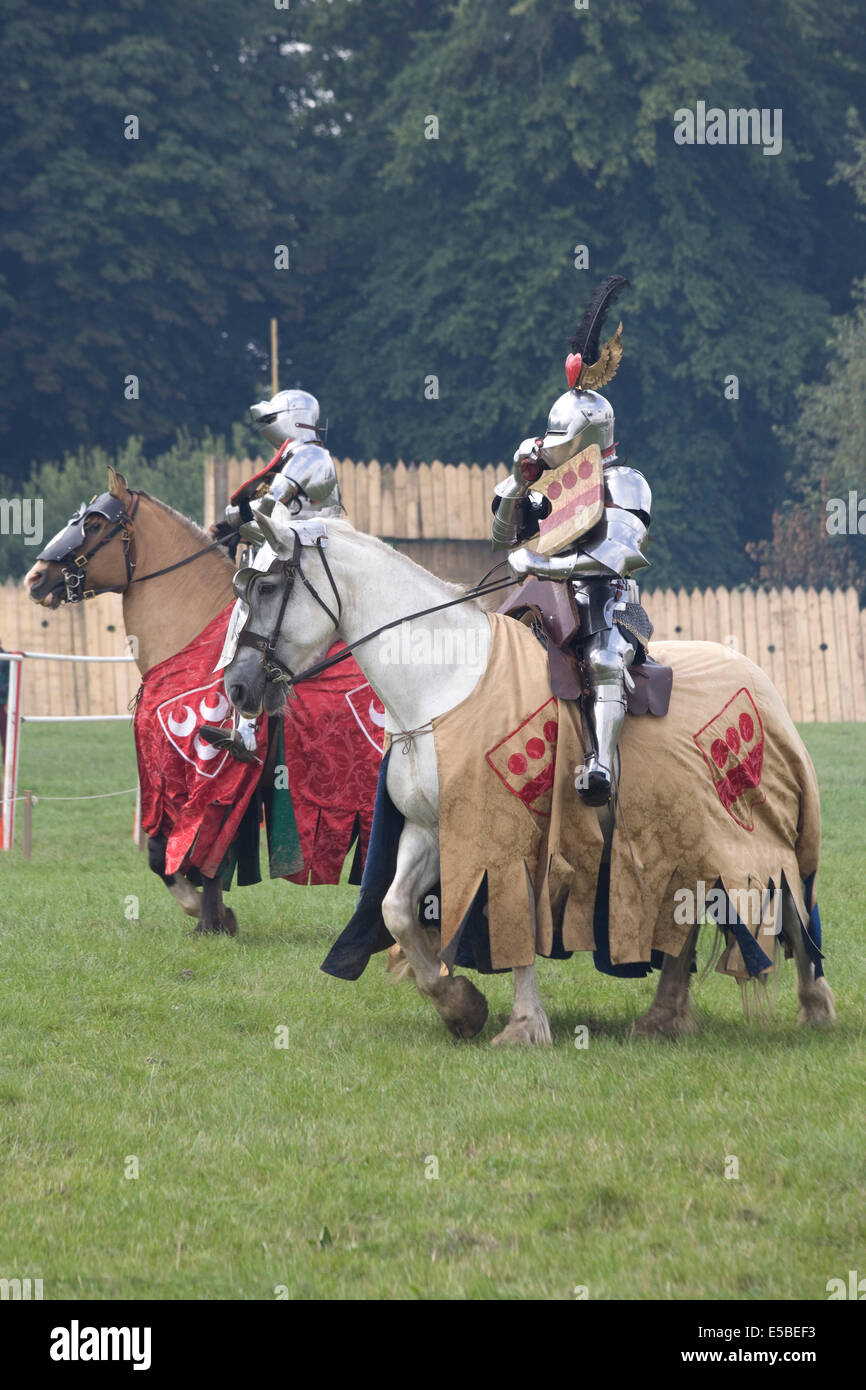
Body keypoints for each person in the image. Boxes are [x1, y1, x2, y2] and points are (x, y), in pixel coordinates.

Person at [491, 276, 653, 806]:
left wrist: (543, 564)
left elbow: (619, 553)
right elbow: (501, 537)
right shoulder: (549, 484)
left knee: (606, 656)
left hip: (608, 607)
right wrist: (517, 482)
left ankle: (600, 764)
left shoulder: (623, 482)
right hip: (546, 603)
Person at [203, 389, 342, 760]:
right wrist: (233, 528)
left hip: (313, 551)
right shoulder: (296, 456)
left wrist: (227, 524)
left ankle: (247, 725)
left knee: (253, 609)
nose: (267, 428)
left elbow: (269, 506)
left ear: (293, 418)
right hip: (295, 545)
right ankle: (244, 721)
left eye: (271, 419)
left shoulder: (310, 455)